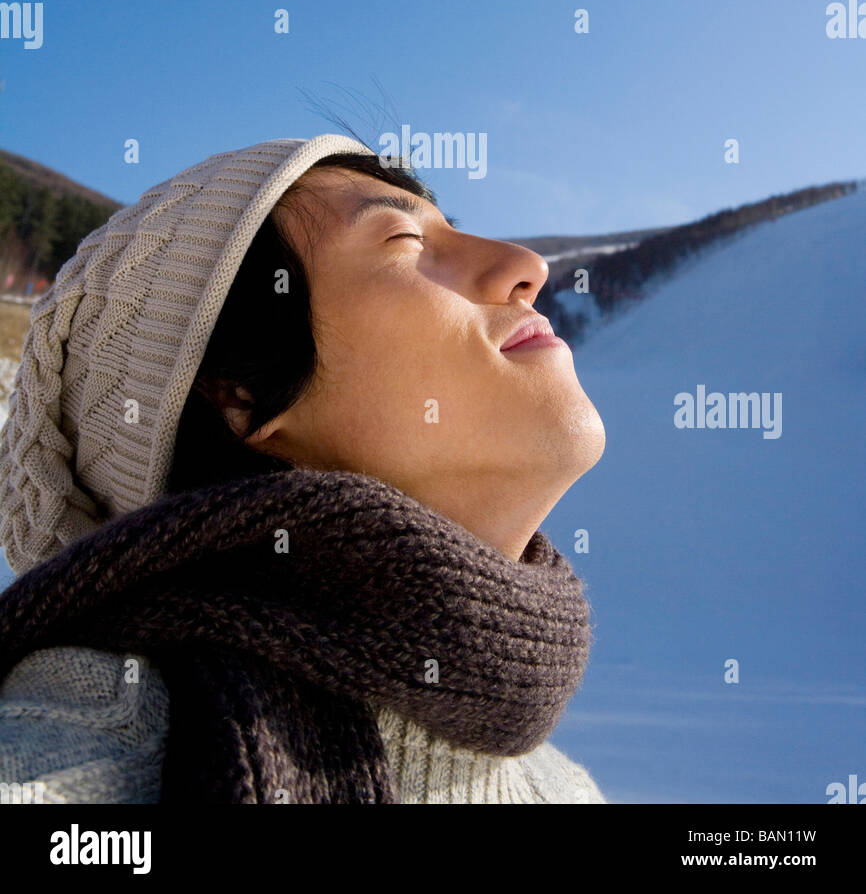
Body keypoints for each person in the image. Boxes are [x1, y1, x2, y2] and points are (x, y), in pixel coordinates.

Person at [0, 133, 606, 804]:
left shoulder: (567, 790)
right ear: (237, 394)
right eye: (403, 242)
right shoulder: (74, 749)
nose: (526, 264)